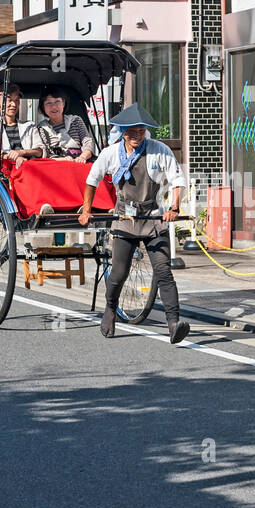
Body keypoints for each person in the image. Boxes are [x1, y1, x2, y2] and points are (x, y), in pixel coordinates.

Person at [78, 104, 189, 344]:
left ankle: (173, 323)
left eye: (140, 131)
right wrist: (86, 210)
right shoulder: (110, 153)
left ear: (146, 131)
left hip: (153, 217)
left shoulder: (159, 151)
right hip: (124, 219)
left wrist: (174, 207)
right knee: (119, 273)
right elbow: (92, 180)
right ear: (123, 131)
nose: (136, 136)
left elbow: (178, 179)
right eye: (131, 132)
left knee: (163, 270)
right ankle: (110, 308)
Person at [0, 83, 42, 168]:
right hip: (6, 169)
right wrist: (16, 158)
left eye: (16, 100)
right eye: (9, 100)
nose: (14, 105)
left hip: (31, 167)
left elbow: (39, 151)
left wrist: (22, 152)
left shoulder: (29, 125)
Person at [35, 87, 97, 162]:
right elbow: (45, 153)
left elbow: (87, 142)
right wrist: (62, 160)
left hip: (80, 162)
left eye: (57, 102)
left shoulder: (76, 121)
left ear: (63, 103)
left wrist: (83, 157)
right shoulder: (41, 128)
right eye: (49, 103)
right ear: (43, 107)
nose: (54, 107)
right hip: (56, 166)